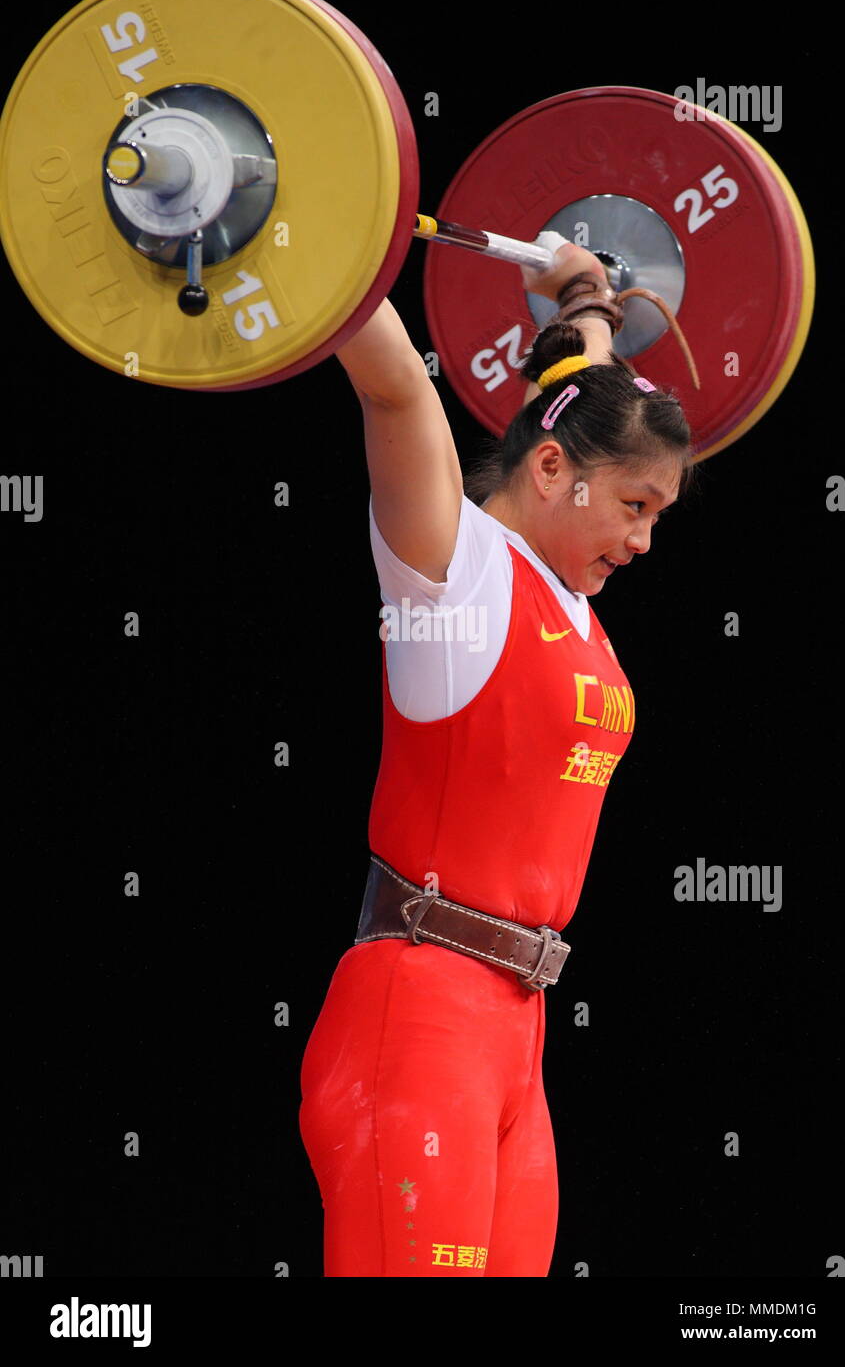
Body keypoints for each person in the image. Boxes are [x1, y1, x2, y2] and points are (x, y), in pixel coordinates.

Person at [298, 239, 698, 1277]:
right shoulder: (456, 574)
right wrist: (309, 236)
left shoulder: (570, 602)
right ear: (551, 470)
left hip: (514, 1038)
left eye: (659, 514)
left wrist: (581, 300)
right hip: (418, 1017)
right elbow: (393, 394)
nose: (644, 541)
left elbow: (582, 397)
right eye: (634, 507)